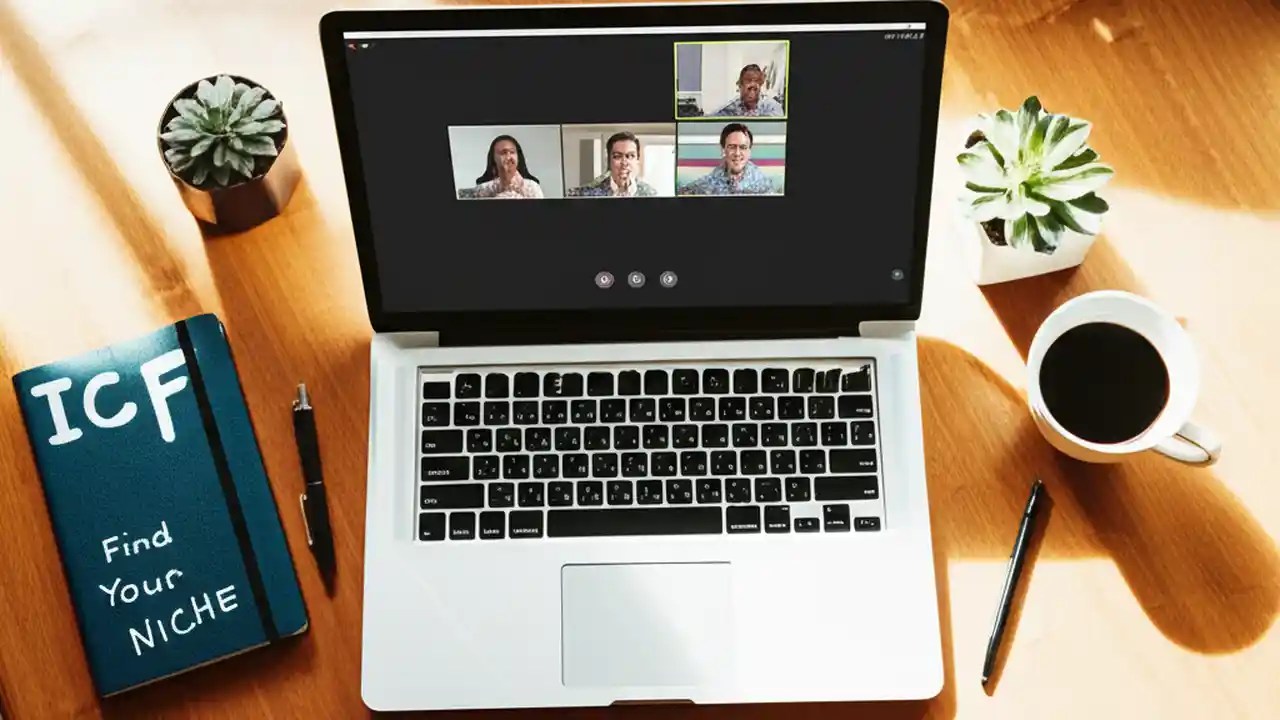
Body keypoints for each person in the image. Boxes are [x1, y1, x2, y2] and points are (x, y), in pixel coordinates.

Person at [678, 123, 777, 196]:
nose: (737, 153)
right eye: (732, 147)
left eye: (743, 147)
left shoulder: (763, 184)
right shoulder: (708, 183)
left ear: (749, 152)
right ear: (723, 150)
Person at [567, 132, 658, 197]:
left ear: (637, 160)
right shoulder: (586, 194)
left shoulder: (650, 194)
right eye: (617, 156)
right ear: (609, 160)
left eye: (630, 156)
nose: (624, 163)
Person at [459, 135, 544, 199]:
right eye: (503, 153)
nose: (508, 157)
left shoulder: (532, 187)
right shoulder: (481, 190)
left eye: (512, 152)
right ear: (493, 158)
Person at [710, 64, 785, 117]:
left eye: (757, 81)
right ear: (739, 84)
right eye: (748, 81)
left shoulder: (772, 107)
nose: (753, 84)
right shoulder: (729, 109)